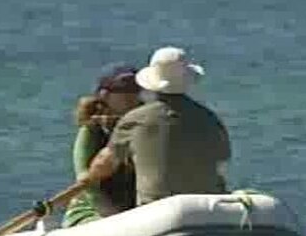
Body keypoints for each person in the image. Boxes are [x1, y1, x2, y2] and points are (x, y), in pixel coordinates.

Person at [83, 46, 231, 205]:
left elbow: (105, 163)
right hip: (205, 205)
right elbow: (222, 159)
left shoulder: (134, 119)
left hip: (155, 208)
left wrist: (89, 178)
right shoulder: (209, 119)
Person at [61, 65, 142, 228]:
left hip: (133, 211)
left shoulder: (145, 127)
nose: (132, 96)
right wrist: (114, 217)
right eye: (124, 91)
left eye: (136, 90)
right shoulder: (93, 131)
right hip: (93, 212)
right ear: (105, 95)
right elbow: (87, 182)